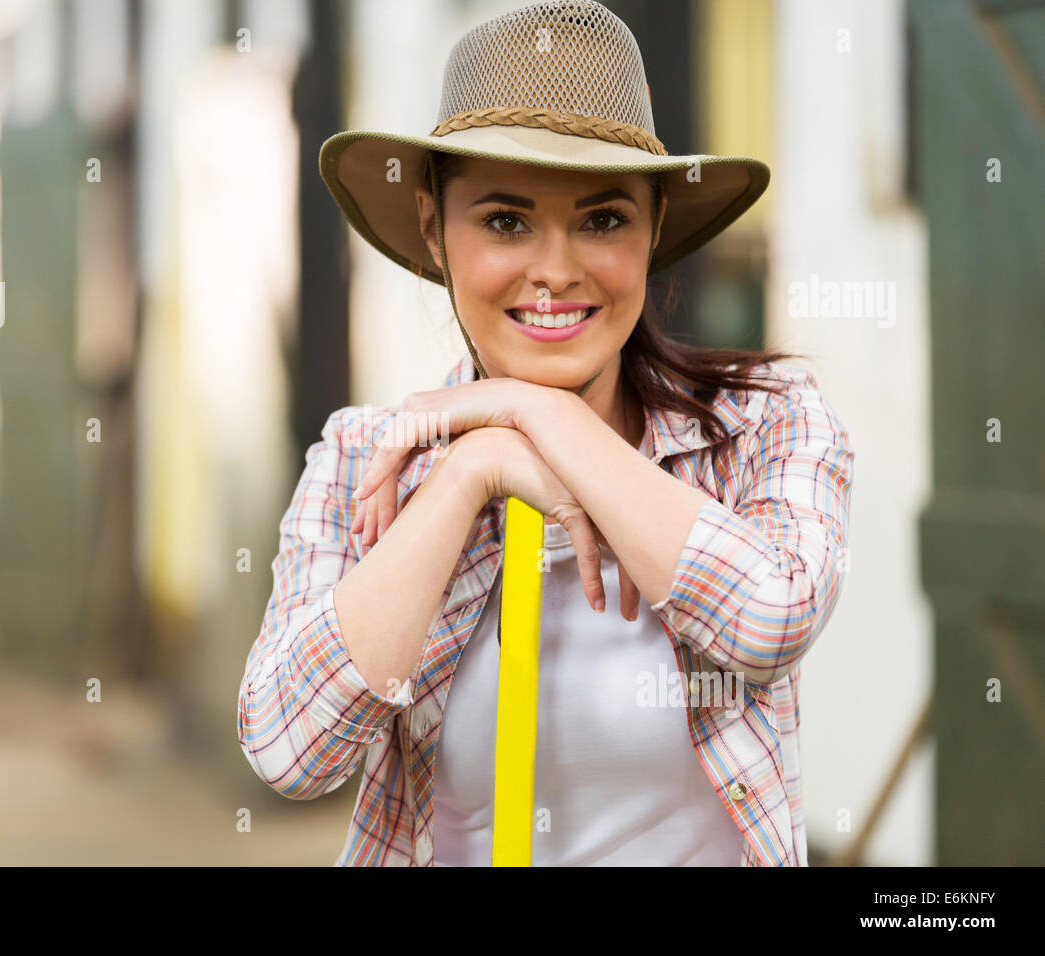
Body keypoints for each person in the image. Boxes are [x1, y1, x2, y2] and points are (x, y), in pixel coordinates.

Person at [238, 0, 853, 866]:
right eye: (504, 220)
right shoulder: (367, 460)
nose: (556, 271)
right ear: (432, 229)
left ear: (653, 233)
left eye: (604, 219)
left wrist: (540, 413)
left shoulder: (764, 422)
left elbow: (769, 620)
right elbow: (290, 751)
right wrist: (467, 474)